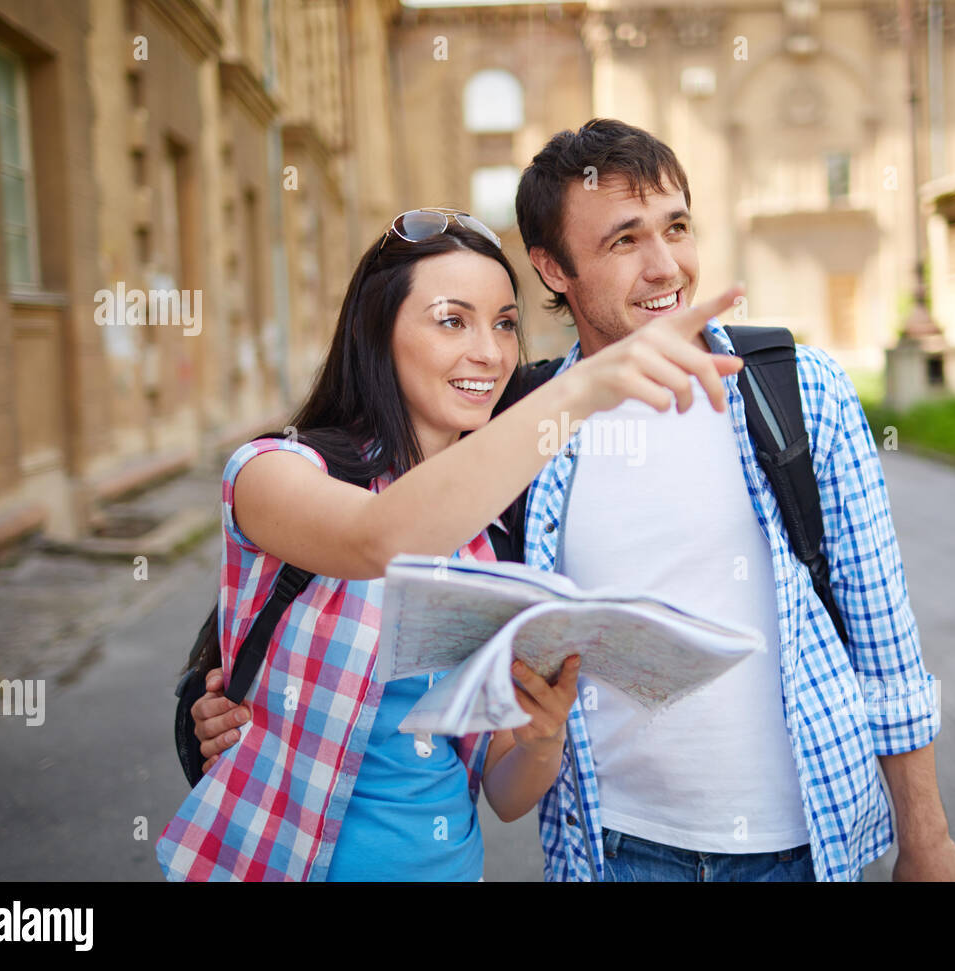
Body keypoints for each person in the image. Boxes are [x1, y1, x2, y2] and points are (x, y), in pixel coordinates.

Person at [196, 119, 955, 883]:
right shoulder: (496, 444)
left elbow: (884, 635)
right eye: (624, 240)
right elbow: (370, 540)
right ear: (553, 267)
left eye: (677, 227)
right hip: (611, 850)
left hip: (800, 844)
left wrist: (926, 838)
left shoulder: (795, 392)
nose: (665, 265)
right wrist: (229, 707)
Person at [156, 205, 745, 881]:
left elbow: (503, 790)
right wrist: (584, 388)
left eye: (503, 324)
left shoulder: (486, 543)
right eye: (451, 320)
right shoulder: (272, 472)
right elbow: (378, 537)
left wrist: (542, 732)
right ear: (379, 335)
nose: (490, 353)